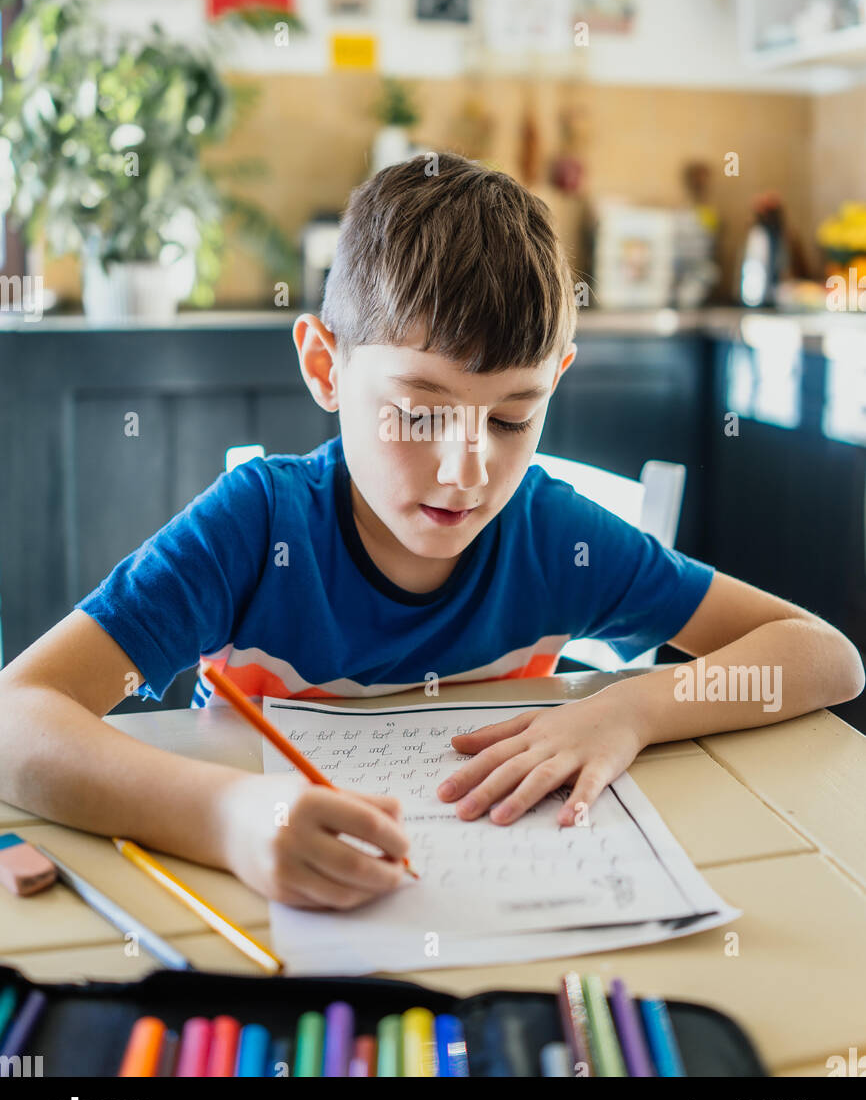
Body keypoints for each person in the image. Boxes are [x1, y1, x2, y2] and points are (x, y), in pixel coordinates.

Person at [0, 153, 861, 912]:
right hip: (255, 902)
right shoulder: (256, 525)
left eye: (515, 419)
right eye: (418, 414)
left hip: (495, 905)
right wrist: (226, 817)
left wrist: (630, 706)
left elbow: (824, 657)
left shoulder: (555, 537)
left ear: (556, 381)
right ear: (325, 367)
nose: (467, 471)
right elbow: (19, 716)